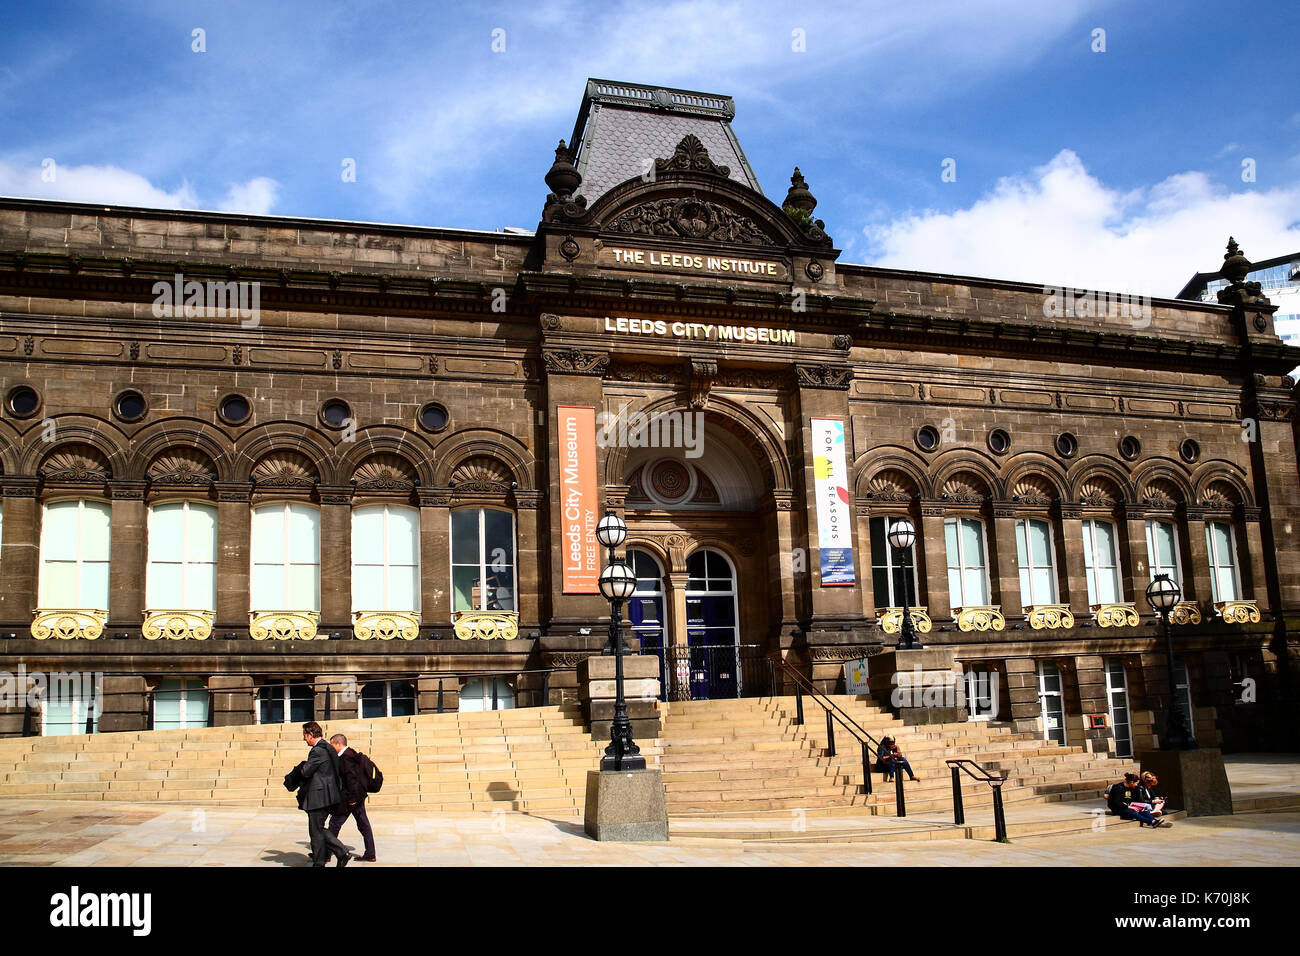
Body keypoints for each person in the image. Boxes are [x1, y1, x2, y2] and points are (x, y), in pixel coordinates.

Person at [298, 721, 353, 866]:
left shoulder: (318, 751)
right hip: (327, 795)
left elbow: (305, 771)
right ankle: (325, 859)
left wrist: (301, 766)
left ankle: (339, 853)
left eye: (305, 735)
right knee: (319, 829)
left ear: (310, 734)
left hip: (319, 796)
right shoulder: (327, 747)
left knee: (316, 831)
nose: (304, 739)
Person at [327, 733, 377, 863]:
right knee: (363, 824)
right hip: (358, 796)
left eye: (332, 744)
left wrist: (352, 799)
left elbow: (351, 779)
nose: (330, 747)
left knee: (334, 824)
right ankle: (370, 853)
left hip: (351, 798)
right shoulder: (351, 753)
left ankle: (325, 854)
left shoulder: (346, 758)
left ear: (338, 743)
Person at [1107, 772, 1172, 828]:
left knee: (1143, 810)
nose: (1137, 785)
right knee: (1134, 813)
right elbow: (1116, 802)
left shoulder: (1131, 788)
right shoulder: (1118, 788)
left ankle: (1155, 821)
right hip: (1118, 809)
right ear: (1131, 782)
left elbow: (1131, 800)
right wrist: (1130, 807)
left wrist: (1136, 806)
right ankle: (1153, 822)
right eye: (1136, 783)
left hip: (1129, 806)